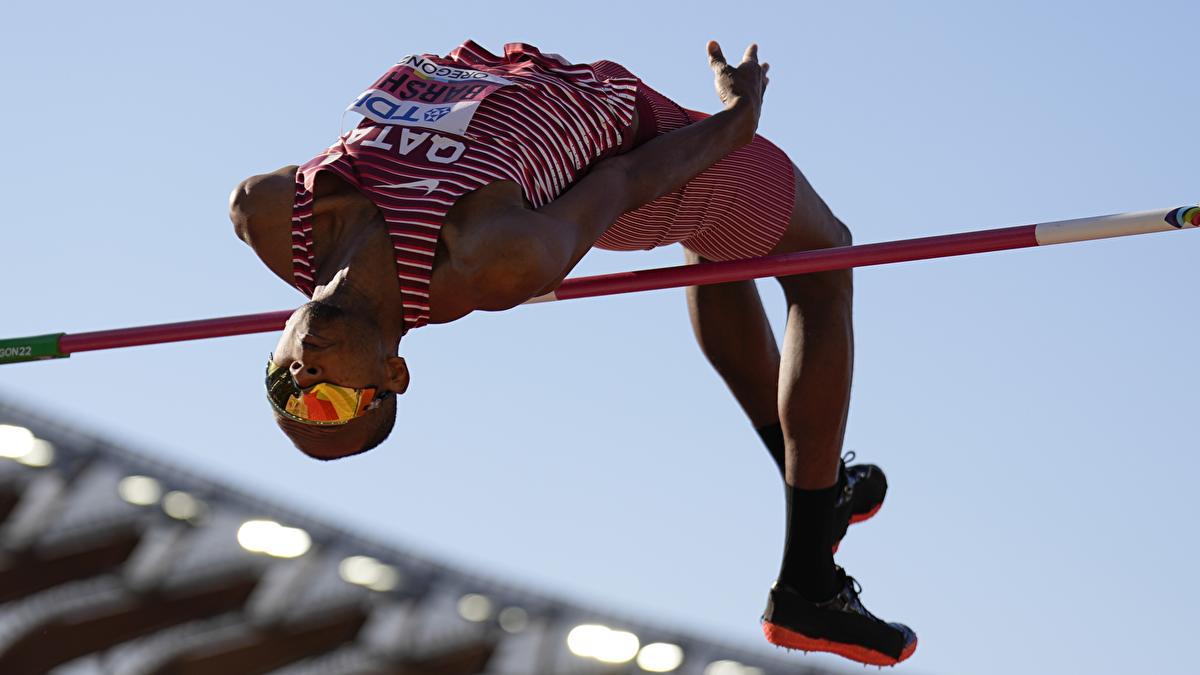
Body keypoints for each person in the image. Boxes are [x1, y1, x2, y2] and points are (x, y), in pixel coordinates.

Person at [230, 39, 917, 666]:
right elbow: (624, 182)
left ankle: (817, 493)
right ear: (394, 372)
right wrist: (737, 120)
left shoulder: (270, 217)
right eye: (328, 401)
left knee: (716, 251)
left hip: (526, 86)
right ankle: (809, 583)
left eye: (286, 391)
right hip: (637, 145)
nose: (306, 376)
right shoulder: (488, 260)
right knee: (825, 263)